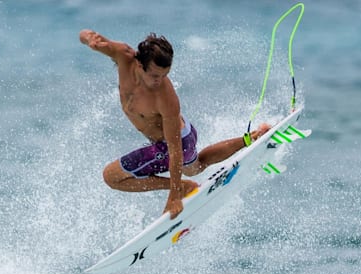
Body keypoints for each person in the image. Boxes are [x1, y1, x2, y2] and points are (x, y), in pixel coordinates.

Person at [79, 30, 271, 219]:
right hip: (185, 136)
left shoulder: (165, 97)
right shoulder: (123, 55)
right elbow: (85, 33)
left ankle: (184, 186)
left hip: (176, 143)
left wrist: (174, 194)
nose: (159, 81)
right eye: (155, 75)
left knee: (111, 176)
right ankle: (251, 137)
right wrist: (90, 41)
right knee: (196, 166)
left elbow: (174, 149)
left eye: (165, 75)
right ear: (139, 63)